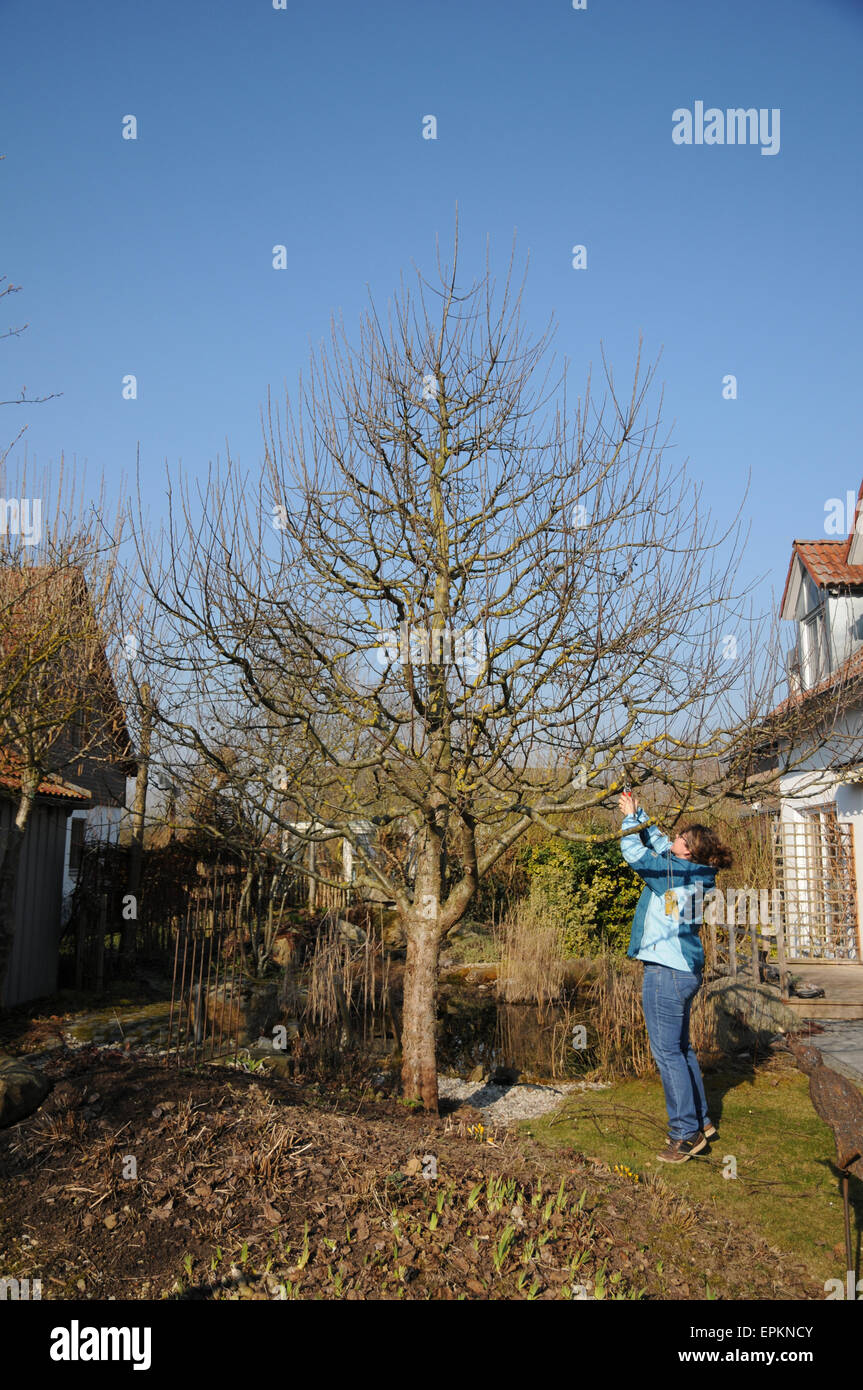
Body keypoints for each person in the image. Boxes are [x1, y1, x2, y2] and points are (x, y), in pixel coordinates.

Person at [618, 791, 733, 1163]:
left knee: (668, 1054)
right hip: (684, 971)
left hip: (666, 972)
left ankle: (685, 1134)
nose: (675, 839)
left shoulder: (676, 876)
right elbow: (661, 842)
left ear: (689, 852)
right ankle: (701, 1120)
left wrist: (629, 821)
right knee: (682, 1050)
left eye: (682, 838)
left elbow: (635, 854)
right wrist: (640, 812)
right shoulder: (695, 872)